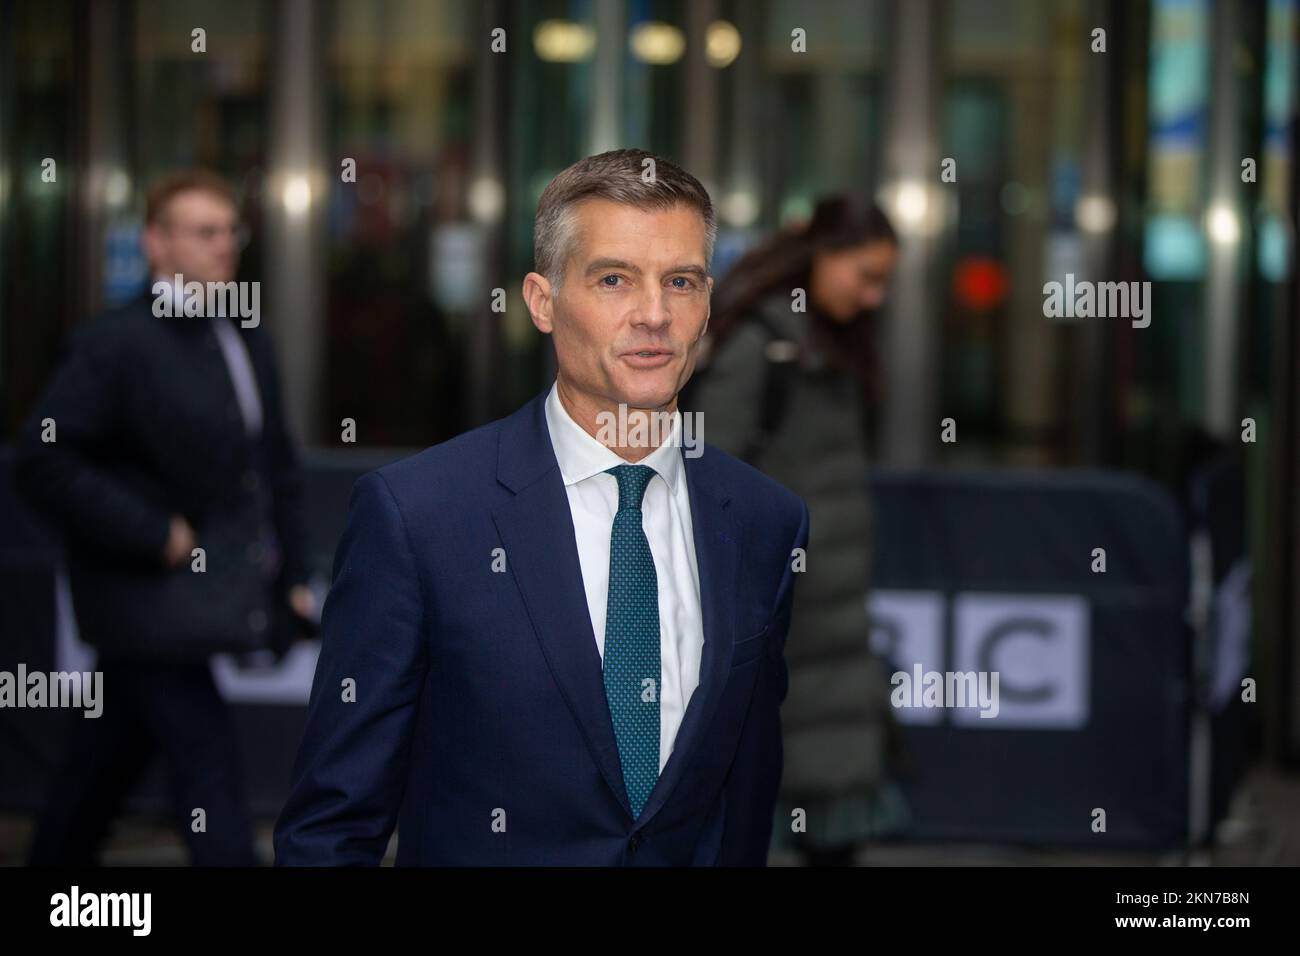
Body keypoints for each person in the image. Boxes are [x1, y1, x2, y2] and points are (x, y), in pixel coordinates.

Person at [273, 148, 809, 866]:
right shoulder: (420, 518)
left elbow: (743, 805)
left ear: (707, 304)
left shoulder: (765, 522)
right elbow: (334, 822)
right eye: (614, 278)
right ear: (541, 301)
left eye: (679, 281)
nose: (654, 315)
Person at [15, 169, 316, 865]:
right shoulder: (115, 342)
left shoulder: (246, 337)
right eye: (203, 232)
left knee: (101, 765)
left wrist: (293, 574)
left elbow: (273, 469)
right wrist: (154, 532)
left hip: (198, 604)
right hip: (142, 601)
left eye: (230, 232)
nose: (223, 247)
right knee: (204, 762)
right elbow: (44, 458)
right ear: (156, 243)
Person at [683, 194, 907, 866]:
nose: (874, 296)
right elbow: (708, 478)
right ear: (822, 256)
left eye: (884, 281)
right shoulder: (761, 345)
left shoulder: (830, 340)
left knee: (831, 821)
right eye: (864, 276)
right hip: (778, 623)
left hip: (829, 628)